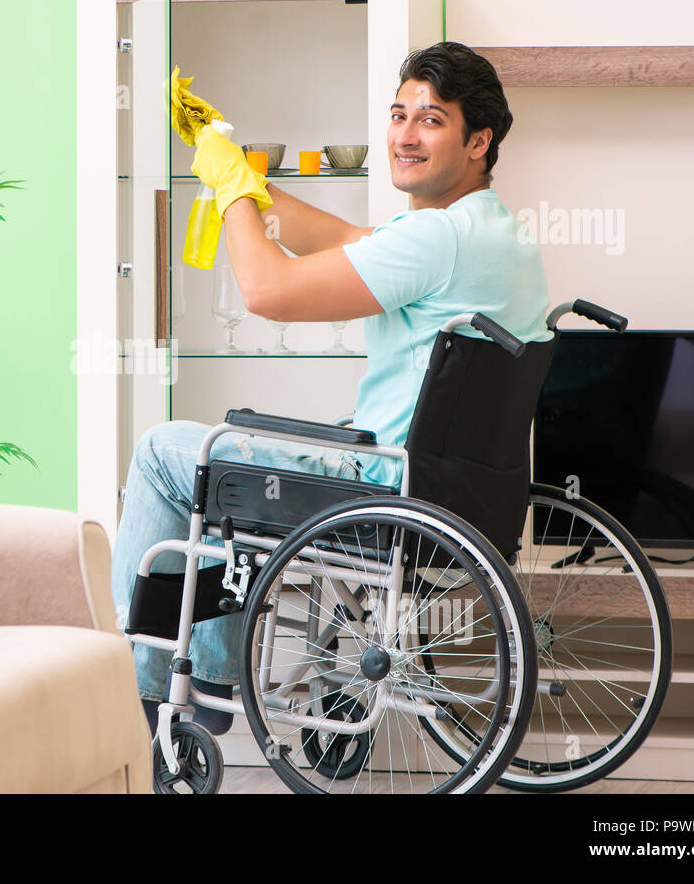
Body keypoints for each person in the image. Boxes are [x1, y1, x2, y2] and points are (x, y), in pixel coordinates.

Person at [110, 41, 551, 737]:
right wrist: (248, 179)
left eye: (431, 120)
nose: (405, 135)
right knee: (232, 467)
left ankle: (147, 691)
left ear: (479, 141)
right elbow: (349, 237)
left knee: (170, 452)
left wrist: (227, 192)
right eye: (398, 114)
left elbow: (266, 290)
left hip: (378, 490)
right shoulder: (494, 235)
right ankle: (208, 675)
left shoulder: (438, 241)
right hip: (451, 495)